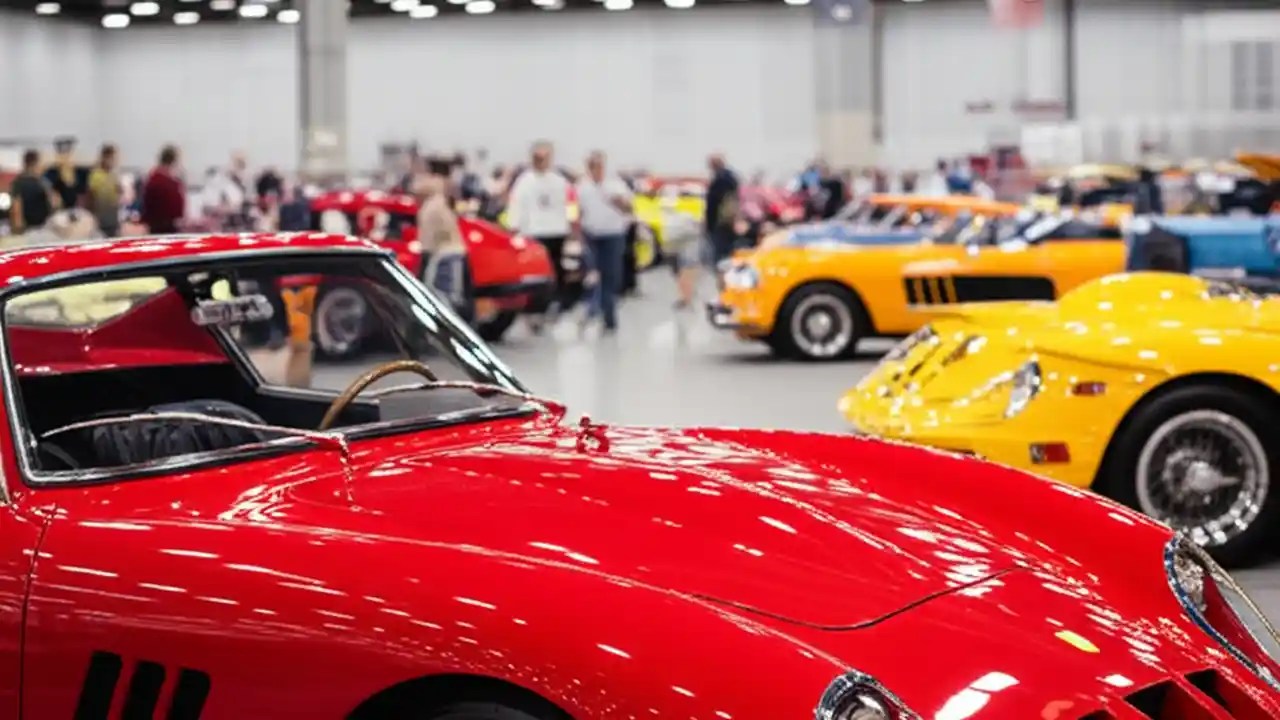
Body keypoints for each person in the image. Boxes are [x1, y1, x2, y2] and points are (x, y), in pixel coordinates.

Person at [507, 141, 573, 315]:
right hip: (533, 232)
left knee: (556, 269)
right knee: (535, 273)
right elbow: (516, 205)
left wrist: (572, 226)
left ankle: (557, 301)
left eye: (544, 157)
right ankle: (536, 306)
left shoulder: (560, 181)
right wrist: (514, 227)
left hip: (556, 231)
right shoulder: (524, 182)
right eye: (537, 157)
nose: (540, 161)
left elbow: (570, 204)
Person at [576, 151, 632, 333]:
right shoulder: (582, 187)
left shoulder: (616, 185)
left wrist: (618, 202)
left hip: (613, 235)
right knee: (592, 276)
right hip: (591, 235)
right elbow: (578, 212)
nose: (596, 170)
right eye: (592, 166)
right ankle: (592, 309)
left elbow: (630, 208)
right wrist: (577, 234)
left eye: (599, 166)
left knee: (610, 276)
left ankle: (608, 316)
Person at [416, 173, 472, 324]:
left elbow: (427, 243)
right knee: (456, 298)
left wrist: (421, 271)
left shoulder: (429, 208)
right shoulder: (442, 203)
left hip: (444, 258)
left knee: (445, 300)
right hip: (456, 254)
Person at [9, 149, 55, 241]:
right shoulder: (42, 182)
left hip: (34, 228)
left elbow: (16, 205)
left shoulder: (19, 182)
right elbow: (17, 205)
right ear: (35, 164)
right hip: (39, 227)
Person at [704, 153, 740, 270]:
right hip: (728, 219)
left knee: (721, 250)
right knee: (726, 247)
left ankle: (723, 270)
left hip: (720, 220)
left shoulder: (721, 179)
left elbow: (713, 203)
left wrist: (709, 223)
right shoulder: (730, 177)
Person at [142, 145, 185, 234]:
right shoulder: (171, 181)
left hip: (154, 224)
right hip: (168, 224)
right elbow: (177, 206)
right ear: (173, 161)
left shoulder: (152, 178)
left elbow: (146, 202)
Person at [44, 136, 88, 212]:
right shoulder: (52, 173)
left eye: (68, 151)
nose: (65, 156)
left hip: (78, 210)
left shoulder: (81, 172)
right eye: (61, 152)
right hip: (60, 210)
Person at [87, 144, 122, 237]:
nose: (114, 162)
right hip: (100, 220)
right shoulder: (96, 175)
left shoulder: (113, 175)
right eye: (112, 158)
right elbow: (91, 197)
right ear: (105, 158)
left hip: (113, 219)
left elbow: (117, 194)